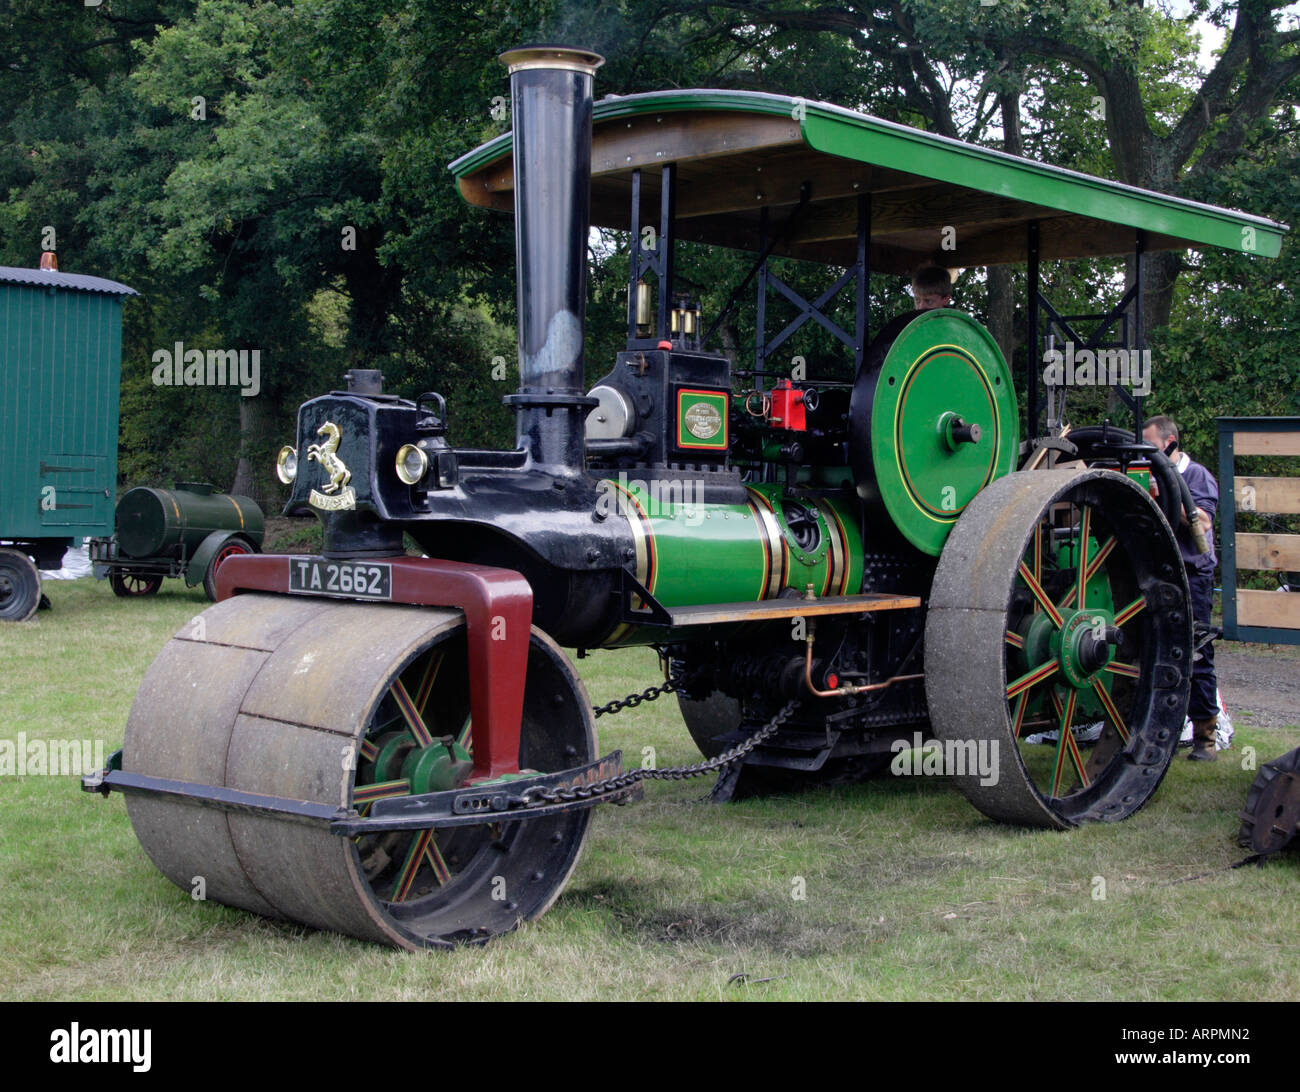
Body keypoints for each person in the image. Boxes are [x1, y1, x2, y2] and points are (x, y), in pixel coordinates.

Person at [1142, 415, 1221, 761]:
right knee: (1152, 653)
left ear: (1170, 442)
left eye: (1151, 446)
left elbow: (1202, 522)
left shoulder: (1197, 475)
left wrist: (1168, 493)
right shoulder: (1145, 476)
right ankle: (1160, 730)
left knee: (1196, 653)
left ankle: (1205, 736)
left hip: (1192, 576)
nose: (1146, 453)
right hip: (1157, 575)